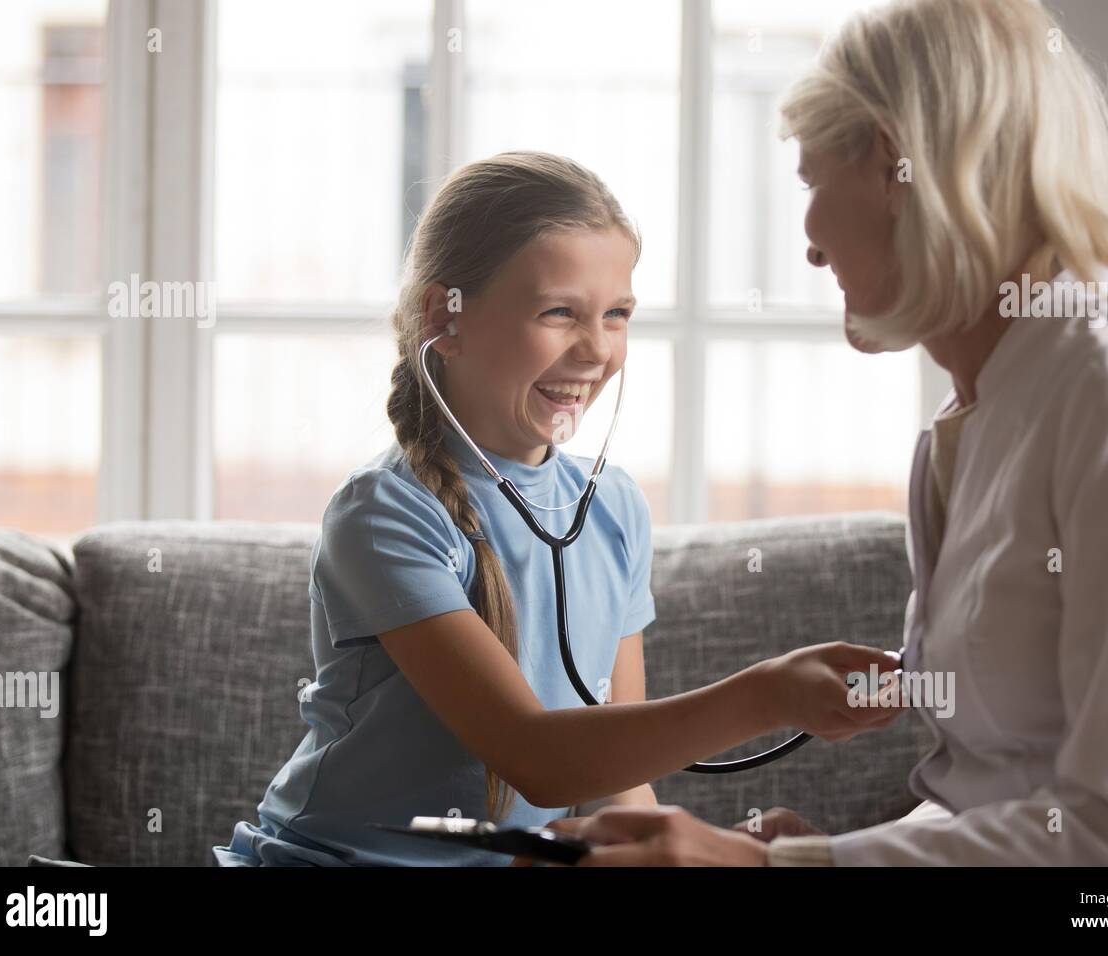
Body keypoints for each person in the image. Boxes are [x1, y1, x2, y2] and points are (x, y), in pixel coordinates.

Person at [543, 0, 1108, 866]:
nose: (808, 245)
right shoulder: (973, 424)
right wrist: (835, 853)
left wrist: (780, 868)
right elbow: (991, 796)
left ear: (894, 165)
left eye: (809, 181)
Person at [212, 151, 901, 866]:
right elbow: (536, 758)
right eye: (559, 312)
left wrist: (718, 853)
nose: (597, 349)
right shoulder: (386, 513)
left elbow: (613, 791)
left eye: (617, 315)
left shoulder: (615, 509)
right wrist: (769, 694)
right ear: (444, 321)